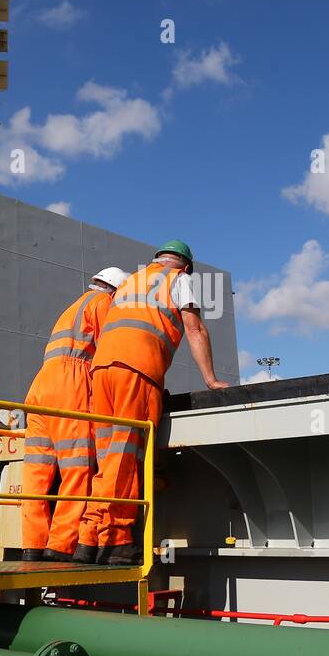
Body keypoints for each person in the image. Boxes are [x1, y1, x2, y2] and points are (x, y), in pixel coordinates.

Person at [77, 241, 229, 565]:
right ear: (186, 266)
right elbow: (194, 328)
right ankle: (117, 543)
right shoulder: (179, 279)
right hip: (137, 370)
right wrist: (211, 379)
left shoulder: (130, 281)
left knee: (105, 457)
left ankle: (88, 540)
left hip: (102, 371)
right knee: (125, 455)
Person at [19, 267, 129, 562]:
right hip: (72, 384)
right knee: (77, 468)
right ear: (116, 290)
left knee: (38, 472)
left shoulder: (71, 307)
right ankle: (61, 546)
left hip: (41, 386)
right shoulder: (103, 305)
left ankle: (32, 545)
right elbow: (111, 349)